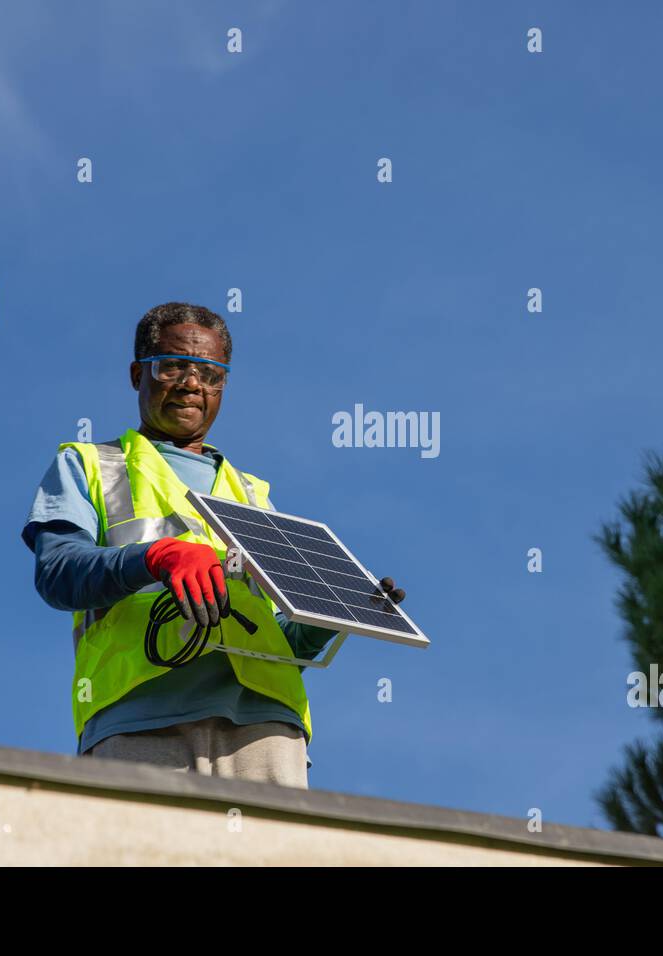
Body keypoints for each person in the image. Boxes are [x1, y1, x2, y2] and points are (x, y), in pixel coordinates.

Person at [20, 302, 406, 789]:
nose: (191, 383)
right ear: (139, 374)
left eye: (210, 373)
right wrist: (156, 556)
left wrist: (330, 613)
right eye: (173, 366)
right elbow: (59, 574)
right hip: (138, 717)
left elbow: (273, 637)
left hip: (266, 729)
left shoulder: (253, 493)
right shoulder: (93, 465)